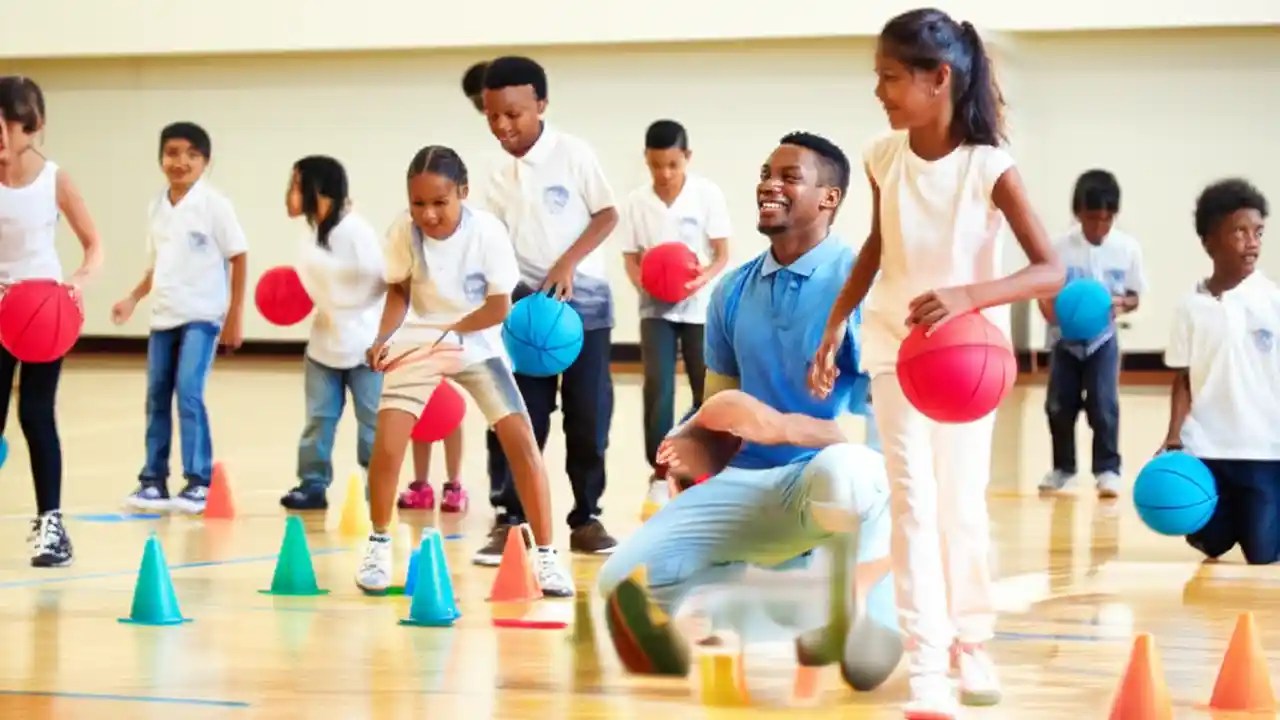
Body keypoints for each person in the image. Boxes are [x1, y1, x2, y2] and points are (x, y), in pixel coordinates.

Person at [809, 10, 1064, 718]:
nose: (881, 92)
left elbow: (1051, 270)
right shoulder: (881, 156)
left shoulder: (989, 165)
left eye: (891, 78)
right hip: (896, 352)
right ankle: (926, 666)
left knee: (961, 506)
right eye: (879, 78)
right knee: (914, 505)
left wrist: (967, 296)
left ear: (938, 78)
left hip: (966, 361)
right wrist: (836, 323)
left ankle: (971, 640)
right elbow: (875, 245)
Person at [598, 132, 901, 693]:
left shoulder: (863, 285)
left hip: (833, 480)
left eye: (789, 177)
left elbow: (879, 435)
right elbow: (721, 412)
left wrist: (783, 427)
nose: (769, 184)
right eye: (766, 172)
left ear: (829, 199)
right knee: (621, 585)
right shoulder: (732, 291)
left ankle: (873, 604)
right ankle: (802, 597)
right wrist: (694, 441)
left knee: (847, 472)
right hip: (753, 483)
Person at [358, 145, 573, 596]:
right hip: (419, 339)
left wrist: (453, 332)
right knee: (387, 447)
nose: (428, 213)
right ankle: (378, 544)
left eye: (440, 202)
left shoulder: (487, 233)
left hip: (476, 341)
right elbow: (398, 289)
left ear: (463, 193)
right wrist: (382, 338)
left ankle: (548, 556)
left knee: (522, 445)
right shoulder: (403, 230)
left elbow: (498, 306)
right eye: (418, 203)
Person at [475, 55, 620, 564]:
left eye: (513, 114)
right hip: (523, 315)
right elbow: (490, 243)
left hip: (584, 311)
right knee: (517, 419)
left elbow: (607, 214)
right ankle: (510, 519)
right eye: (492, 116)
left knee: (587, 419)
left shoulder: (574, 154)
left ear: (541, 104)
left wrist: (567, 263)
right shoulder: (494, 174)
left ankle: (586, 516)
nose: (502, 126)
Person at [114, 121, 249, 514]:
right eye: (172, 153)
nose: (181, 161)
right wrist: (133, 299)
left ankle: (198, 481)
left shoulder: (214, 205)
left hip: (203, 316)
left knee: (188, 393)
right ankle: (153, 480)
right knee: (156, 397)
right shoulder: (157, 207)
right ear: (161, 158)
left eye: (192, 154)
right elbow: (157, 266)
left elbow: (238, 255)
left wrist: (235, 316)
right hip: (164, 317)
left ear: (205, 162)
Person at [0, 75, 104, 567]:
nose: (1, 133)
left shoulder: (54, 179)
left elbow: (93, 244)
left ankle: (52, 527)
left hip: (42, 313)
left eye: (10, 124)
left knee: (35, 415)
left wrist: (78, 282)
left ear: (33, 126)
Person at [617, 119, 731, 521]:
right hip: (655, 309)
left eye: (672, 165)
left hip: (700, 308)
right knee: (658, 387)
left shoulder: (706, 194)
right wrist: (643, 283)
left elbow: (722, 253)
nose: (664, 174)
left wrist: (701, 278)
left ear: (687, 158)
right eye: (655, 166)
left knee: (707, 387)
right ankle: (660, 466)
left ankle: (703, 460)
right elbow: (630, 256)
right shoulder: (636, 202)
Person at [1164, 178, 1278, 565]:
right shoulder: (1189, 307)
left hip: (1264, 450)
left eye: (1258, 232)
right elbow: (1181, 379)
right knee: (1209, 542)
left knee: (1262, 554)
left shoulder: (1273, 302)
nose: (1253, 242)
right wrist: (1174, 438)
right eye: (1240, 232)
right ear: (1209, 240)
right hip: (1207, 449)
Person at [277, 156, 385, 511]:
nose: (289, 193)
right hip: (324, 344)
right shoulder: (310, 234)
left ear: (317, 189)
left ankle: (379, 487)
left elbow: (381, 282)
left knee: (372, 423)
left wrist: (382, 338)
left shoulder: (356, 231)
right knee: (318, 421)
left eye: (295, 184)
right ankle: (312, 485)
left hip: (366, 348)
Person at [1038, 170, 1146, 499]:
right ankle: (1063, 469)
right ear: (1077, 213)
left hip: (1103, 341)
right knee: (1059, 405)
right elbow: (1042, 291)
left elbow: (1135, 296)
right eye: (1091, 218)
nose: (1099, 226)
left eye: (1106, 219)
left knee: (1104, 404)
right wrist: (1050, 310)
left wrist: (1120, 304)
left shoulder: (1127, 249)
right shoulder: (1057, 248)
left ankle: (1108, 469)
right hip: (1064, 341)